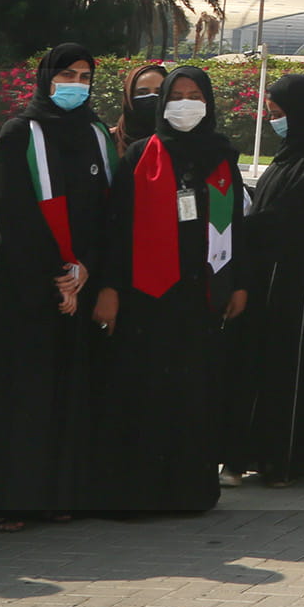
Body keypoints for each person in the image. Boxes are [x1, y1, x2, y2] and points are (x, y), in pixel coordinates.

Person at [0, 43, 120, 529]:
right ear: (47, 77)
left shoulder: (96, 134)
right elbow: (15, 209)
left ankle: (60, 493)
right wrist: (58, 272)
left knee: (68, 391)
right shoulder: (19, 134)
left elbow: (107, 210)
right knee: (21, 392)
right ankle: (8, 500)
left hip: (81, 283)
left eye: (84, 76)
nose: (76, 84)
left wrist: (86, 269)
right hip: (25, 288)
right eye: (66, 75)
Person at [92, 65, 251, 512]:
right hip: (146, 298)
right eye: (176, 94)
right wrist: (110, 288)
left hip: (201, 299)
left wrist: (238, 283)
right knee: (144, 394)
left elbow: (236, 226)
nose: (185, 102)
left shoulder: (222, 158)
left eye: (194, 94)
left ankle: (189, 493)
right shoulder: (141, 155)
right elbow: (116, 230)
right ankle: (138, 494)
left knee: (193, 396)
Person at [224, 74, 304, 487]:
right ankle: (248, 454)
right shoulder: (288, 155)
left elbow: (293, 212)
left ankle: (284, 459)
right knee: (254, 365)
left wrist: (239, 226)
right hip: (268, 281)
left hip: (300, 285)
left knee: (288, 370)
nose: (273, 121)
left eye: (279, 114)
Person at [120, 62, 170, 141]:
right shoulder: (107, 141)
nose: (152, 97)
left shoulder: (178, 142)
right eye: (142, 93)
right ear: (129, 96)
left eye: (159, 92)